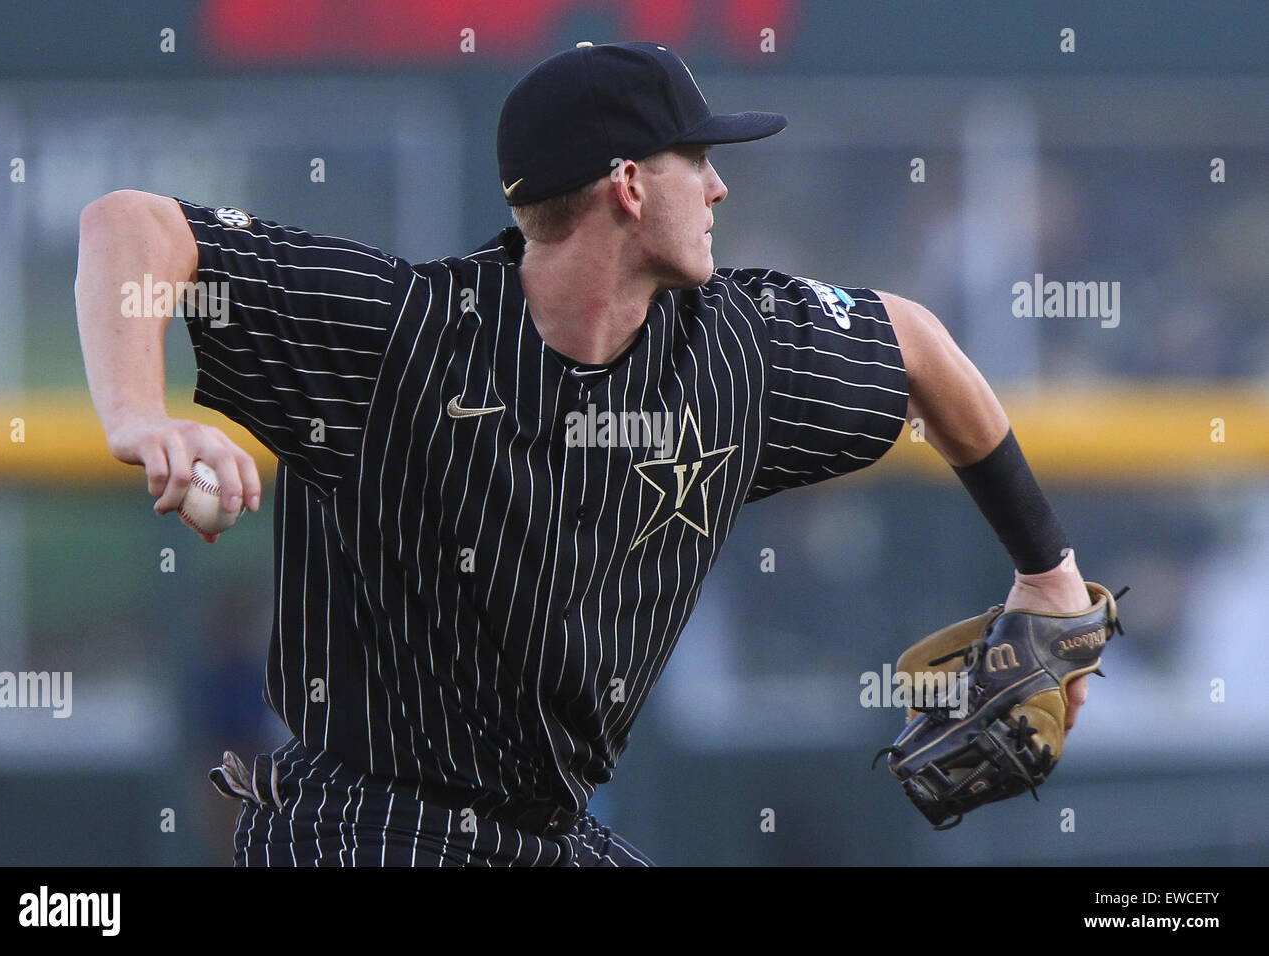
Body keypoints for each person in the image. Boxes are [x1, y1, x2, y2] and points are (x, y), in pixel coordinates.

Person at [75, 41, 1093, 866]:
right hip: (363, 825)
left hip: (546, 832)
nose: (722, 185)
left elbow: (914, 344)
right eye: (698, 159)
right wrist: (135, 416)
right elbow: (131, 226)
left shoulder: (734, 349)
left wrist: (1049, 576)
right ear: (628, 186)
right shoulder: (404, 331)